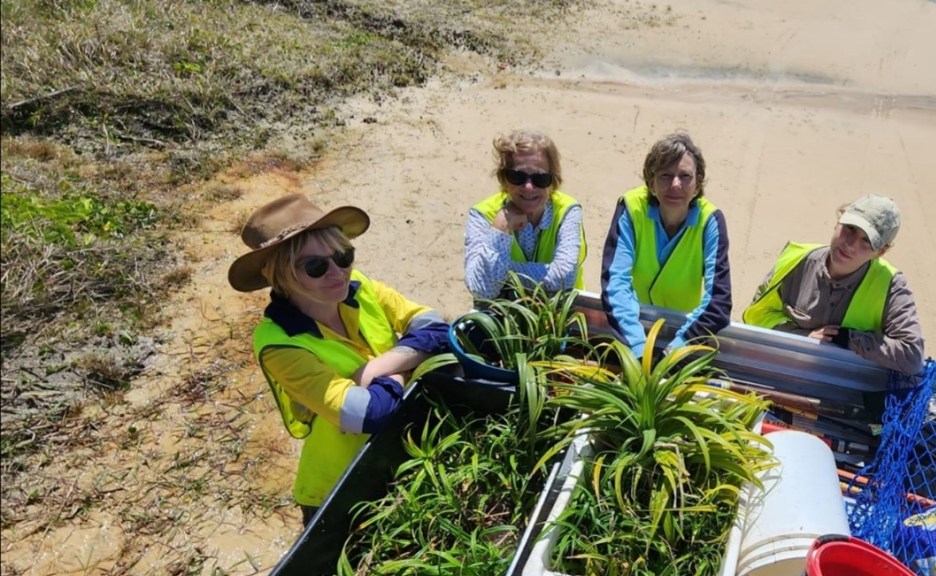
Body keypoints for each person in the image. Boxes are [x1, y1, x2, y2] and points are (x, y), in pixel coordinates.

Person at [228, 193, 450, 526]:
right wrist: (409, 364)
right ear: (278, 274)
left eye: (343, 256)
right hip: (341, 487)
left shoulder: (361, 286)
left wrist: (376, 369)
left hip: (400, 457)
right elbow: (369, 413)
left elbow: (436, 327)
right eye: (315, 266)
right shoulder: (279, 344)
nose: (338, 272)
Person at [742, 193, 924, 374]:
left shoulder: (892, 285)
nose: (850, 244)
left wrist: (845, 338)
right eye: (850, 228)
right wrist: (803, 337)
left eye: (866, 240)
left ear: (881, 252)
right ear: (838, 222)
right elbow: (756, 315)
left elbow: (911, 355)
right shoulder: (796, 260)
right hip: (783, 367)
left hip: (846, 382)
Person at [600, 131, 732, 359]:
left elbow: (718, 301)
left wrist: (675, 349)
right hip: (631, 333)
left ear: (698, 184)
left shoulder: (710, 221)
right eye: (665, 175)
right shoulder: (631, 208)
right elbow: (615, 284)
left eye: (685, 176)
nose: (675, 184)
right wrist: (640, 349)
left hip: (683, 337)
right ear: (651, 183)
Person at [464, 129, 586, 299]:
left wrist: (502, 274)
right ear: (504, 178)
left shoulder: (567, 211)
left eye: (540, 179)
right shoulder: (482, 214)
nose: (529, 187)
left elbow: (564, 279)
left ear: (553, 181)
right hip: (500, 317)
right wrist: (500, 228)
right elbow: (482, 288)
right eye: (517, 176)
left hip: (557, 315)